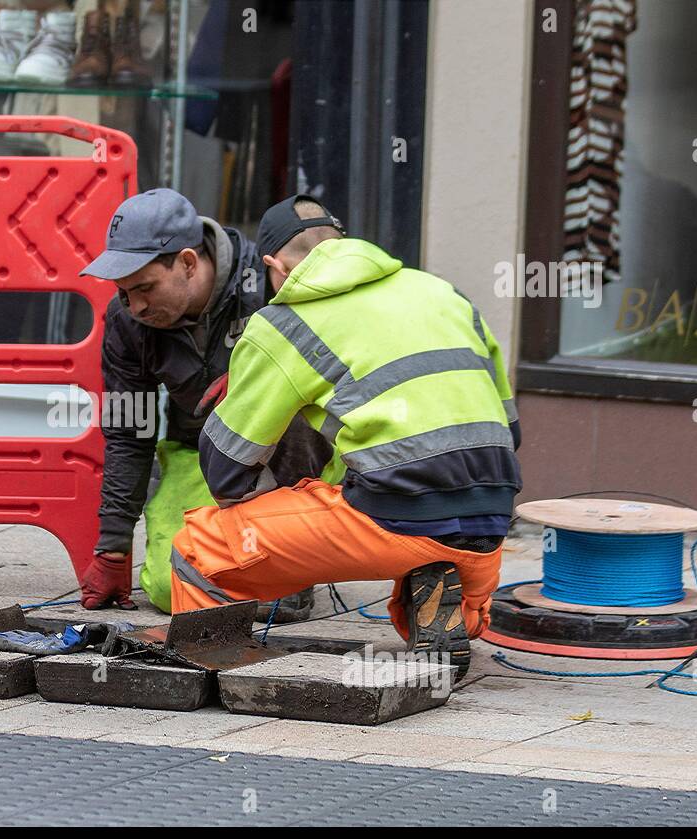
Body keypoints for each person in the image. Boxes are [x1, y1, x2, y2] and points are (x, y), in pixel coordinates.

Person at [170, 195, 522, 675]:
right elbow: (511, 430)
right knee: (412, 514)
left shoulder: (284, 321)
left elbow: (227, 471)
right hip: (489, 530)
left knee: (198, 548)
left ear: (274, 266)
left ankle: (203, 676)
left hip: (394, 522)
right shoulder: (444, 294)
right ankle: (442, 596)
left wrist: (268, 499)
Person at [76, 188, 329, 617]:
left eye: (145, 288)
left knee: (289, 409)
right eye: (123, 293)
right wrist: (113, 548)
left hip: (295, 453)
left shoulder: (265, 276)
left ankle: (295, 554)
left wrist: (263, 375)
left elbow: (340, 360)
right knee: (165, 586)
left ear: (188, 263)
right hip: (204, 452)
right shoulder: (127, 324)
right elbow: (128, 431)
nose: (135, 306)